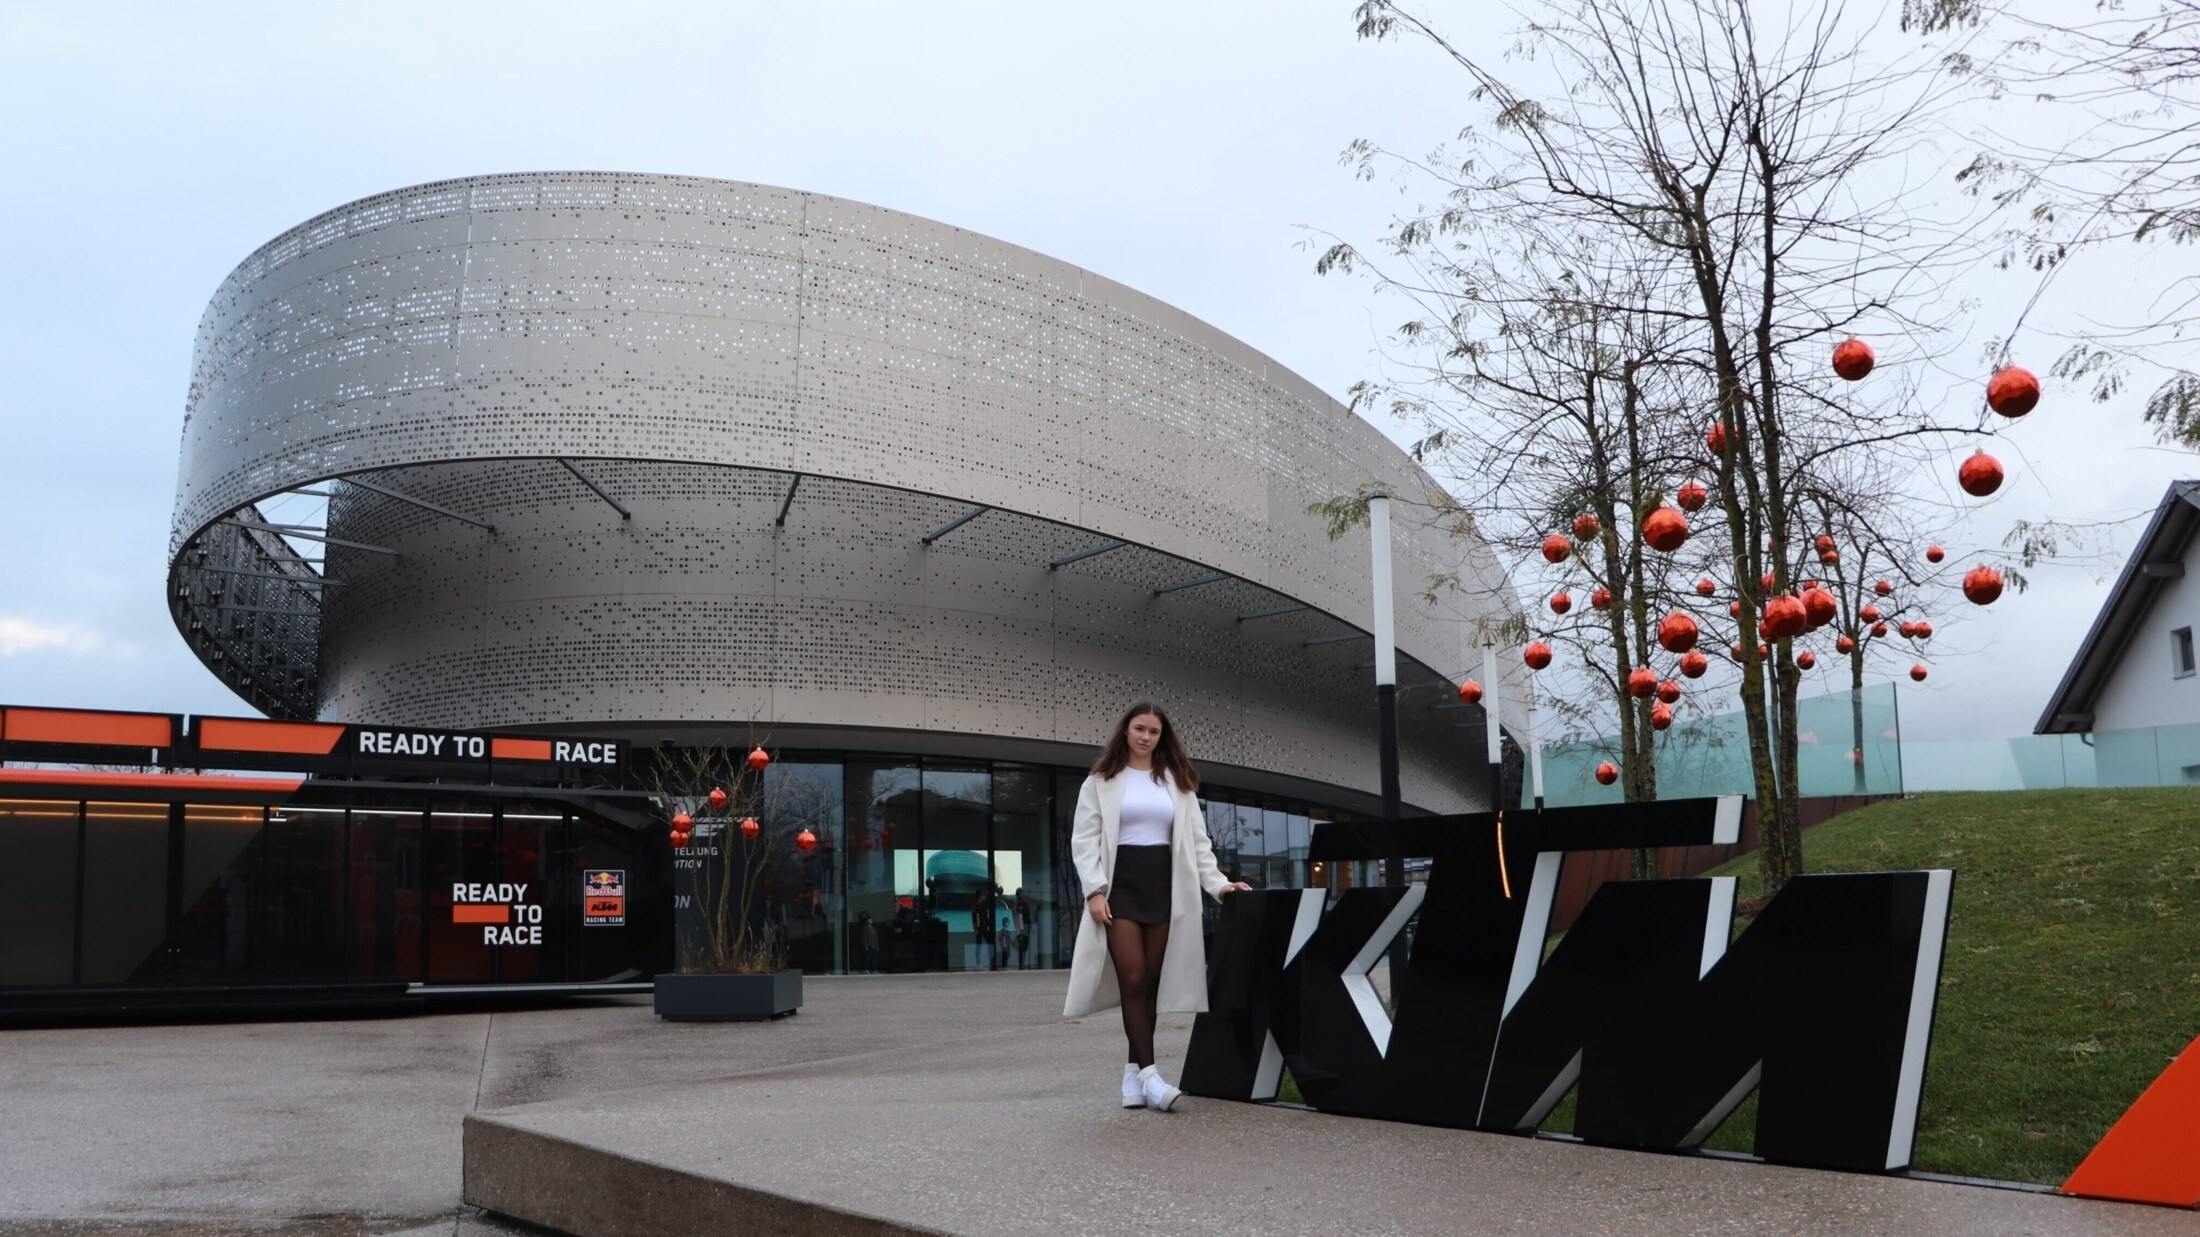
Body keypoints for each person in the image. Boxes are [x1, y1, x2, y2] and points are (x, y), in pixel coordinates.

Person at [1063, 700, 1250, 1112]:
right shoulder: (1100, 781)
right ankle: (1151, 1075)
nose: (1146, 737)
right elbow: (1084, 841)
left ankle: (1132, 1075)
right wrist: (1094, 890)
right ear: (1125, 732)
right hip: (1119, 889)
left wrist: (1220, 885)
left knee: (1149, 982)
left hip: (1164, 889)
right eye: (1139, 729)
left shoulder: (1177, 782)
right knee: (1131, 977)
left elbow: (1200, 846)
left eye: (1154, 732)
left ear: (1161, 737)